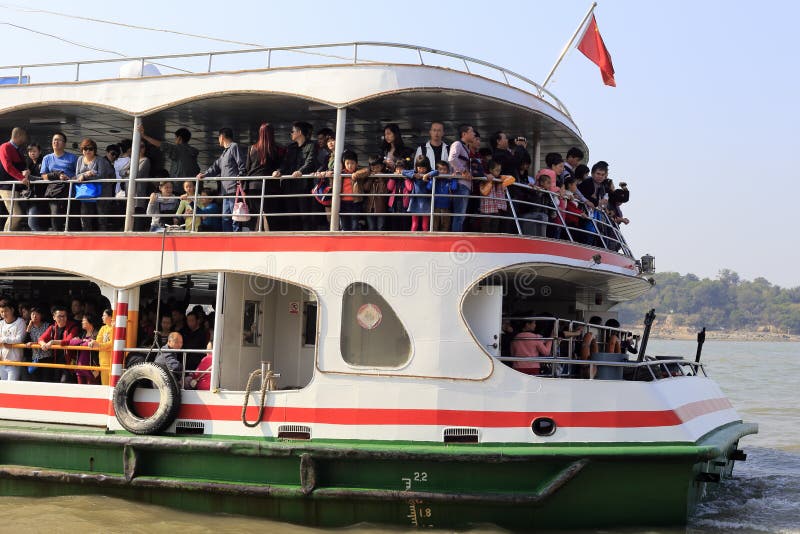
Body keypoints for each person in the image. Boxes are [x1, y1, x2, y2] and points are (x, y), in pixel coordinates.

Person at [273, 121, 317, 231]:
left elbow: (310, 162)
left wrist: (300, 171)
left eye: (292, 131)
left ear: (299, 132)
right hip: (289, 186)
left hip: (304, 186)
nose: (291, 134)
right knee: (291, 214)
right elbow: (285, 163)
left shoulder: (312, 146)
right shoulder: (290, 147)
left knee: (304, 215)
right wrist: (278, 171)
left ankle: (307, 238)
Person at [245, 123, 282, 231]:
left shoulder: (252, 148)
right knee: (267, 213)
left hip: (253, 185)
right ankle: (268, 235)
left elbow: (247, 167)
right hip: (269, 185)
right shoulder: (275, 149)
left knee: (256, 213)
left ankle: (255, 237)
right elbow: (279, 165)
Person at [40, 132, 79, 232]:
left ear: (64, 144)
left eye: (59, 140)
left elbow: (78, 173)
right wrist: (57, 176)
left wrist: (70, 178)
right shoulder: (47, 158)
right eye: (54, 140)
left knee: (72, 218)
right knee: (55, 216)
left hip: (70, 190)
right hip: (54, 191)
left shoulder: (73, 157)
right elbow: (44, 176)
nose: (56, 142)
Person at [74, 138, 115, 231]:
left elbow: (101, 175)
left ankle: (102, 239)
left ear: (94, 150)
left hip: (101, 192)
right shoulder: (80, 159)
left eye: (90, 149)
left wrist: (85, 176)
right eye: (85, 148)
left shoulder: (100, 160)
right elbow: (77, 175)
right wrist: (86, 174)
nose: (88, 151)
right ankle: (86, 238)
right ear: (82, 150)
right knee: (85, 217)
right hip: (86, 192)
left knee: (102, 218)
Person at [38, 305, 80, 383]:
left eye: (64, 316)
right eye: (60, 316)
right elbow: (41, 338)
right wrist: (43, 344)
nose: (62, 318)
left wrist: (52, 342)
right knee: (55, 383)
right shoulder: (53, 328)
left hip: (69, 363)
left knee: (64, 383)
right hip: (56, 362)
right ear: (54, 317)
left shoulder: (73, 327)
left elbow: (68, 341)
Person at [117, 140, 152, 231]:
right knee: (129, 216)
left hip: (139, 194)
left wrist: (127, 172)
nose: (140, 148)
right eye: (138, 146)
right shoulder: (133, 160)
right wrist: (129, 172)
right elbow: (121, 172)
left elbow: (138, 174)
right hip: (129, 193)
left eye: (142, 146)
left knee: (138, 216)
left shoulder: (145, 160)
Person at [0, 127, 30, 231]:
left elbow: (19, 167)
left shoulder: (17, 150)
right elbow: (8, 166)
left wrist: (26, 171)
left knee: (16, 214)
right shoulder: (5, 147)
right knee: (16, 214)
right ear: (19, 136)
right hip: (6, 187)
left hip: (14, 187)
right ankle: (5, 236)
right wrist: (21, 178)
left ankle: (8, 234)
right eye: (24, 136)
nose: (25, 139)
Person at [447, 124, 476, 232]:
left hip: (465, 185)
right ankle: (456, 237)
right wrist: (464, 171)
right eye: (471, 131)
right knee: (459, 215)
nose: (474, 134)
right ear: (464, 134)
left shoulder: (466, 148)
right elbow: (452, 159)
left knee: (461, 215)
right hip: (460, 184)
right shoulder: (457, 144)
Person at [478, 160, 512, 233]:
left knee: (494, 230)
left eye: (500, 170)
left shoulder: (500, 180)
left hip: (496, 209)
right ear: (490, 170)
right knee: (485, 230)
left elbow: (512, 179)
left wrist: (502, 179)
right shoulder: (484, 179)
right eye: (497, 170)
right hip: (486, 210)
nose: (498, 172)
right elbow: (484, 192)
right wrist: (490, 181)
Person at [423, 160, 458, 232]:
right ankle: (434, 241)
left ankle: (444, 242)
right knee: (434, 226)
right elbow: (428, 187)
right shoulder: (434, 180)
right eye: (440, 169)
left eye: (445, 169)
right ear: (437, 171)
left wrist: (454, 179)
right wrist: (433, 178)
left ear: (448, 171)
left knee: (445, 226)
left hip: (446, 207)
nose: (442, 171)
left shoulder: (449, 181)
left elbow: (454, 188)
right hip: (435, 207)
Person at [338, 151, 366, 231]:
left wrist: (357, 174)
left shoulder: (358, 172)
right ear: (344, 164)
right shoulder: (341, 173)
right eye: (347, 163)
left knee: (354, 225)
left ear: (356, 164)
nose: (350, 166)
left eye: (352, 163)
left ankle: (355, 242)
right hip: (343, 202)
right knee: (344, 225)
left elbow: (367, 170)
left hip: (355, 202)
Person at [69, 313, 100, 384]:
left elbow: (90, 344)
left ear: (90, 321)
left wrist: (80, 342)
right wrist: (83, 340)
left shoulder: (97, 333)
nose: (82, 322)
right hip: (80, 368)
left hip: (91, 368)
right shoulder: (82, 334)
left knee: (91, 390)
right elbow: (72, 343)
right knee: (81, 390)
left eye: (84, 320)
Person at [405, 155, 433, 232]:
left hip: (426, 202)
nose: (421, 170)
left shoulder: (428, 174)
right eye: (419, 168)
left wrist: (427, 175)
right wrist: (413, 175)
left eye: (424, 168)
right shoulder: (414, 172)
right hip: (415, 201)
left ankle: (426, 241)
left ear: (427, 167)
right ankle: (412, 240)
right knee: (414, 224)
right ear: (416, 167)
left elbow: (436, 172)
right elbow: (403, 172)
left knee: (425, 225)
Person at [360, 155, 388, 231]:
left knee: (381, 228)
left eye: (377, 167)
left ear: (382, 167)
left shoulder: (386, 177)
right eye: (373, 167)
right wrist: (370, 179)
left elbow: (384, 191)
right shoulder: (368, 176)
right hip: (369, 207)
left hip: (381, 208)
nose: (375, 169)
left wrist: (381, 178)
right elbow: (365, 188)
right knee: (371, 228)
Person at [0, 299, 26, 380]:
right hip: (2, 361)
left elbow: (19, 339)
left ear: (12, 310)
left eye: (6, 311)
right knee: (3, 387)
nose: (3, 314)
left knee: (12, 386)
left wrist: (4, 340)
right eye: (1, 312)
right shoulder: (1, 323)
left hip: (15, 362)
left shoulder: (20, 322)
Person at [386, 158, 413, 231]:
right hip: (394, 204)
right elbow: (389, 187)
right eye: (397, 169)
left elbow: (410, 188)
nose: (399, 171)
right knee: (394, 222)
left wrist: (405, 177)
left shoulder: (408, 178)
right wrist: (393, 177)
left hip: (404, 204)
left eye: (401, 169)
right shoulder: (394, 178)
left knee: (405, 223)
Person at [89, 308, 114, 386]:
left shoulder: (115, 328)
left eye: (104, 315)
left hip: (112, 361)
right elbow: (98, 340)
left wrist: (99, 345)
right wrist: (93, 342)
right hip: (102, 361)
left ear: (111, 317)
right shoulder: (103, 328)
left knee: (112, 385)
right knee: (104, 385)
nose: (102, 317)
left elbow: (112, 344)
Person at [25, 306, 51, 380]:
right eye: (32, 314)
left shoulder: (47, 326)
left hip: (46, 357)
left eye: (37, 314)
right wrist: (28, 329)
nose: (34, 316)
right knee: (35, 380)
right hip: (35, 358)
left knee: (46, 379)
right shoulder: (29, 326)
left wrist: (34, 343)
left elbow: (47, 340)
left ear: (41, 315)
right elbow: (25, 342)